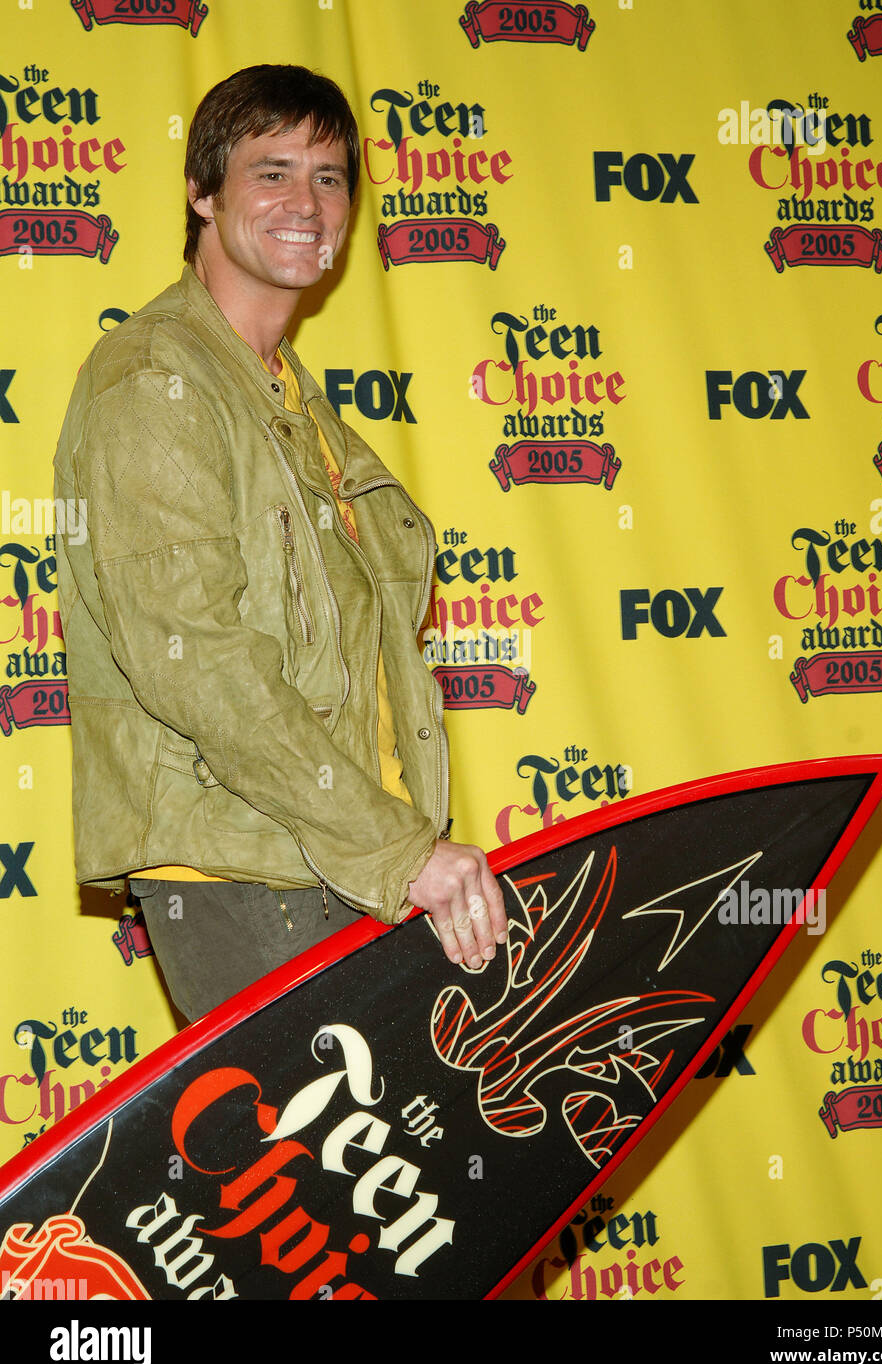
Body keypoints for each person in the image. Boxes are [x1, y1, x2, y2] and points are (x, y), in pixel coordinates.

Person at [53, 64, 506, 1023]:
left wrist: (395, 842)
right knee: (298, 1169)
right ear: (202, 194)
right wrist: (399, 851)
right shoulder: (154, 378)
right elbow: (196, 662)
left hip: (337, 858)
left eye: (331, 176)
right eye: (272, 171)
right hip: (245, 864)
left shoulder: (293, 403)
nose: (307, 202)